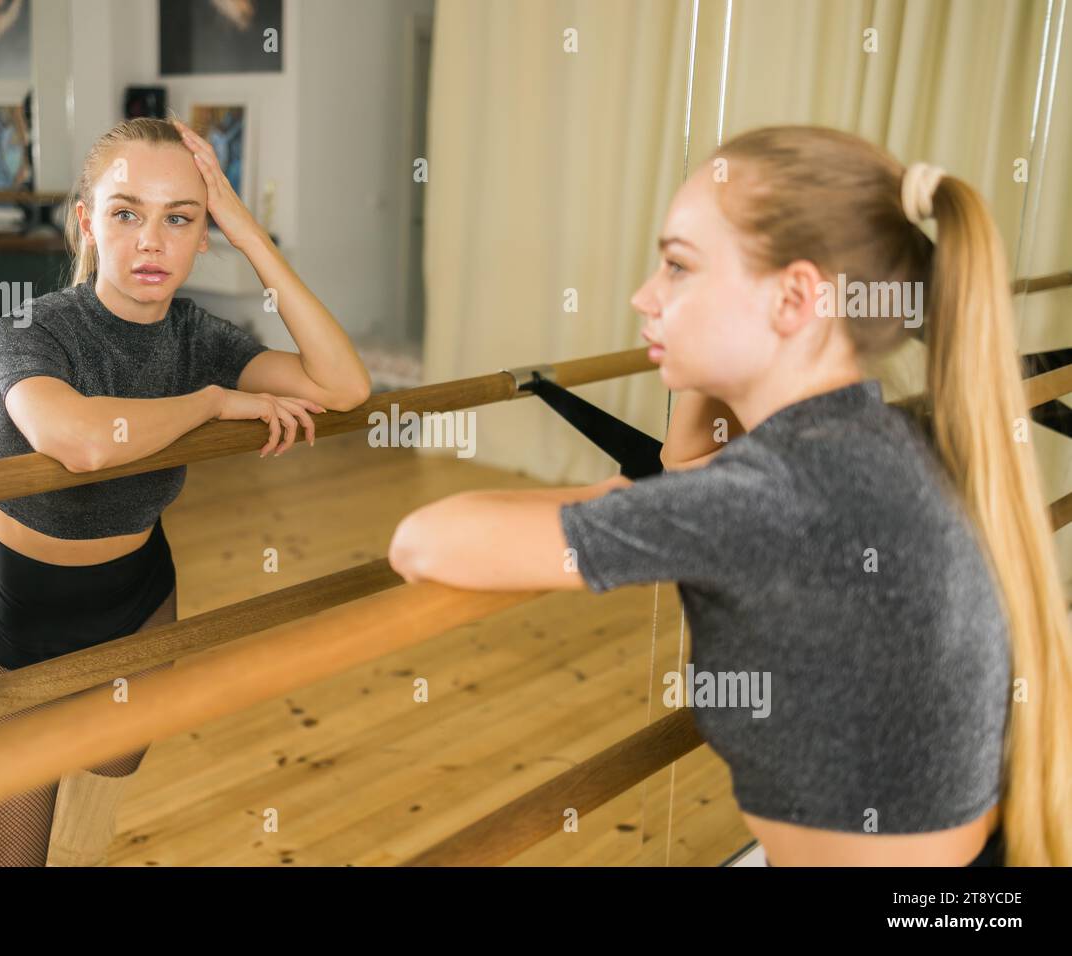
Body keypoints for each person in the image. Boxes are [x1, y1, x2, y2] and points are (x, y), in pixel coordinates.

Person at [388, 125, 1072, 867]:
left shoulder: (777, 492)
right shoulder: (878, 439)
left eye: (678, 267)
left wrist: (607, 495)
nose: (642, 295)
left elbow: (422, 540)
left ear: (795, 297)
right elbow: (689, 474)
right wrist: (633, 473)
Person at [0, 116, 372, 866]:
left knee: (85, 832)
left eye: (180, 218)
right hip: (25, 629)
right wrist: (213, 403)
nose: (152, 241)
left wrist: (251, 235)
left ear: (202, 232)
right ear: (88, 223)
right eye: (127, 213)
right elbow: (81, 440)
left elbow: (344, 385)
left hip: (141, 607)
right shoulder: (33, 329)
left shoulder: (199, 338)